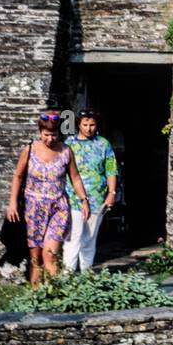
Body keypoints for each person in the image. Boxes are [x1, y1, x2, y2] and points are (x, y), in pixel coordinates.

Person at [6, 112, 89, 285]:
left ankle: (53, 293)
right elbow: (18, 176)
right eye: (46, 135)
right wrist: (12, 203)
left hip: (58, 208)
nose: (50, 139)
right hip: (33, 209)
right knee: (36, 257)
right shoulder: (29, 150)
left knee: (50, 254)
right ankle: (37, 295)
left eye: (54, 135)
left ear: (59, 133)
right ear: (40, 132)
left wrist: (84, 199)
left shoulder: (66, 151)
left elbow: (75, 178)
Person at [62, 109, 117, 272]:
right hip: (73, 197)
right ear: (79, 124)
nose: (88, 128)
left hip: (96, 197)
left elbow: (111, 169)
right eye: (85, 124)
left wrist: (112, 193)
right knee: (72, 237)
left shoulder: (103, 144)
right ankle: (67, 275)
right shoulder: (69, 143)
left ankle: (87, 275)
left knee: (89, 238)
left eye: (92, 125)